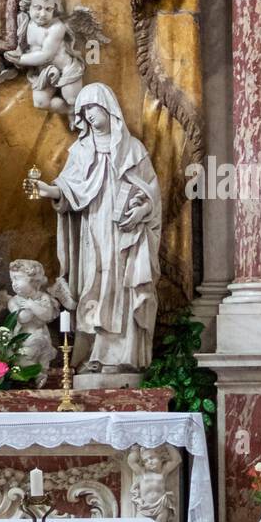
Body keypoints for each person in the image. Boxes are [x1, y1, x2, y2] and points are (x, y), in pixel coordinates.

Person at [34, 82, 161, 373]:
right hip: (93, 229)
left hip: (125, 233)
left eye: (92, 107)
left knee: (121, 286)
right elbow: (69, 189)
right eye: (83, 110)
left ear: (107, 107)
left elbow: (151, 193)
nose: (89, 115)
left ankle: (119, 357)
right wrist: (49, 190)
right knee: (95, 285)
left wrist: (141, 209)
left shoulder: (133, 149)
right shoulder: (80, 150)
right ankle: (92, 354)